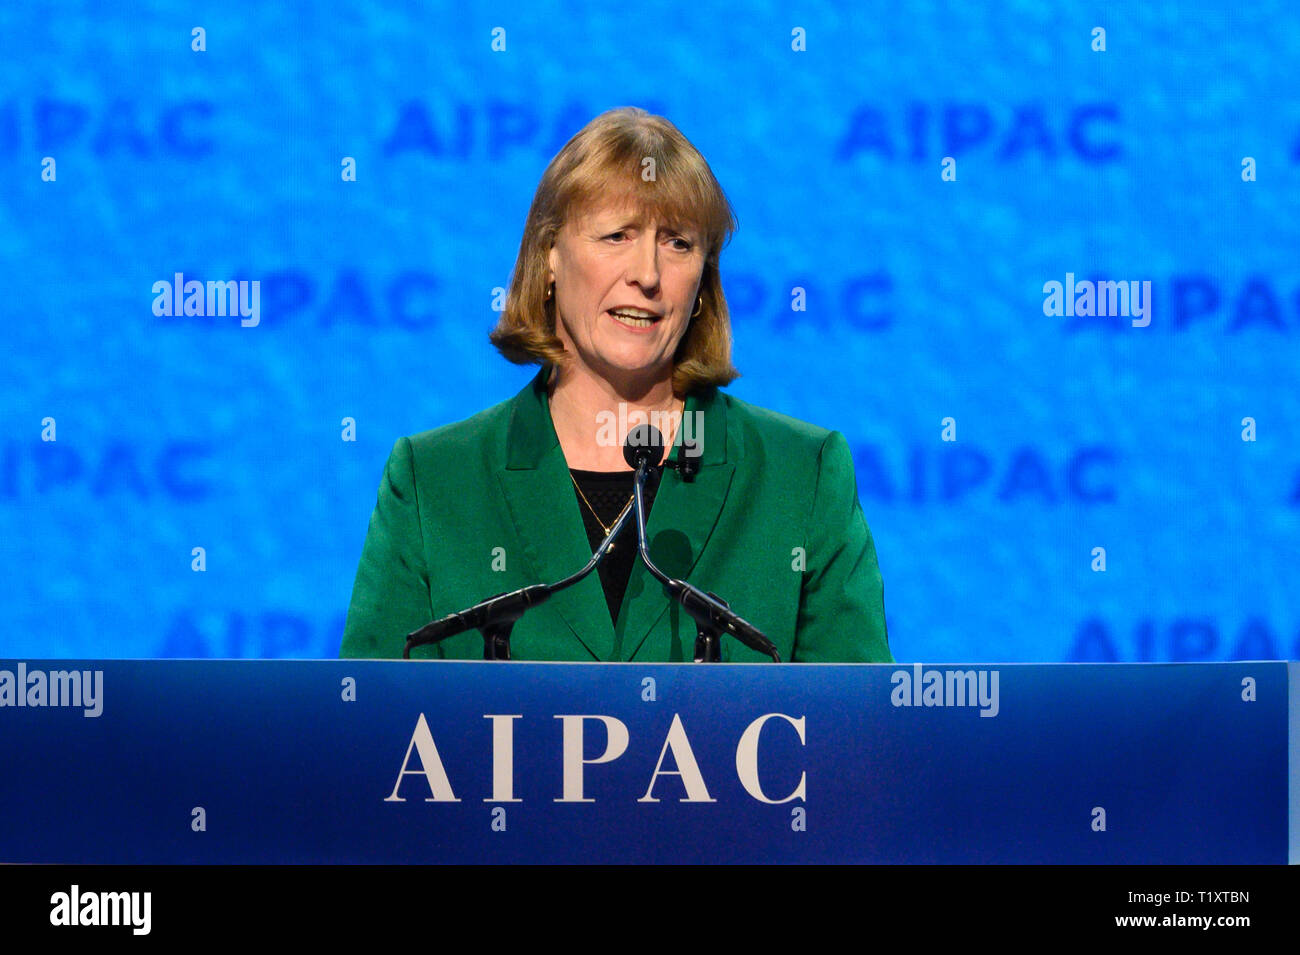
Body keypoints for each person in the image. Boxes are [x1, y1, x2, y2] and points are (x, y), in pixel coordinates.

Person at [340, 106, 892, 663]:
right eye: (616, 235)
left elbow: (862, 737)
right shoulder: (436, 479)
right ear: (549, 255)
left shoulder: (800, 475)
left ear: (703, 279)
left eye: (678, 242)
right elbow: (363, 730)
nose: (647, 275)